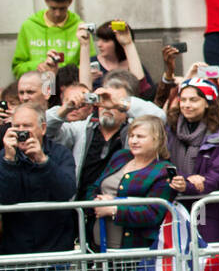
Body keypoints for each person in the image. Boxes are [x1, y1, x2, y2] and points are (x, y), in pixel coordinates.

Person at [45, 71, 165, 200]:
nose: (108, 106)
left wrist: (119, 103)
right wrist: (66, 107)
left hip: (115, 207)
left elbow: (160, 117)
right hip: (79, 207)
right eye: (104, 100)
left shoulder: (133, 133)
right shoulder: (82, 128)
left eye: (113, 103)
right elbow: (46, 130)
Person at [0, 104, 78, 254]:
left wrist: (43, 161)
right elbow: (5, 198)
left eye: (27, 125)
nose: (21, 131)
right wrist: (9, 162)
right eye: (17, 126)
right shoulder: (4, 156)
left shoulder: (60, 153)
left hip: (55, 247)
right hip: (16, 249)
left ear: (42, 128)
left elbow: (67, 191)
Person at [90, 115, 173, 251]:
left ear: (156, 139)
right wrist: (95, 202)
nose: (133, 141)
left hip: (135, 248)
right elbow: (95, 187)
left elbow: (153, 213)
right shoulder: (121, 156)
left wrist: (113, 209)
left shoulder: (165, 170)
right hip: (100, 243)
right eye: (131, 135)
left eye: (140, 137)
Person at [164, 78, 219, 244]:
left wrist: (190, 185)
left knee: (207, 261)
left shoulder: (218, 135)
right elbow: (161, 163)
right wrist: (187, 181)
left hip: (207, 211)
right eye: (183, 100)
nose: (187, 105)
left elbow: (217, 175)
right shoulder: (168, 130)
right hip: (173, 207)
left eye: (193, 100)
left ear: (207, 103)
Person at [12, 0, 83, 79]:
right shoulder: (29, 26)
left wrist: (65, 73)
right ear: (46, 1)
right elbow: (17, 68)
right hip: (39, 86)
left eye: (62, 8)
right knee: (47, 90)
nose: (57, 14)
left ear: (70, 2)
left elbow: (89, 64)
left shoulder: (80, 27)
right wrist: (37, 66)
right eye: (53, 8)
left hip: (69, 88)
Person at [79, 21, 152, 98]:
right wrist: (84, 45)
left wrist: (128, 44)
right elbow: (84, 92)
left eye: (105, 41)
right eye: (99, 39)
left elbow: (144, 91)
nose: (99, 44)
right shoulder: (90, 63)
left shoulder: (134, 66)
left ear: (117, 43)